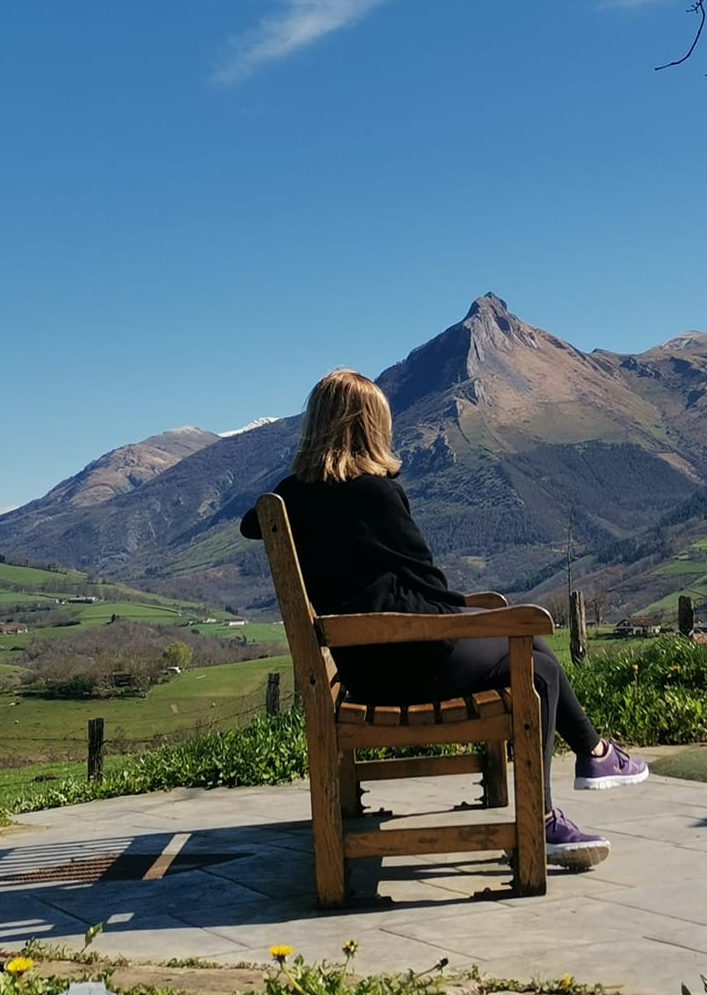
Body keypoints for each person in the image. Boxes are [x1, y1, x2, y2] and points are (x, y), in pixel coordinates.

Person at [240, 368, 648, 870]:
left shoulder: (292, 497)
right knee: (535, 664)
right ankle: (544, 815)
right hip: (408, 662)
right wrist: (470, 617)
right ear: (370, 425)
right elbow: (429, 587)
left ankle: (596, 751)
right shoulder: (374, 494)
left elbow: (249, 524)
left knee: (526, 644)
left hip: (359, 667)